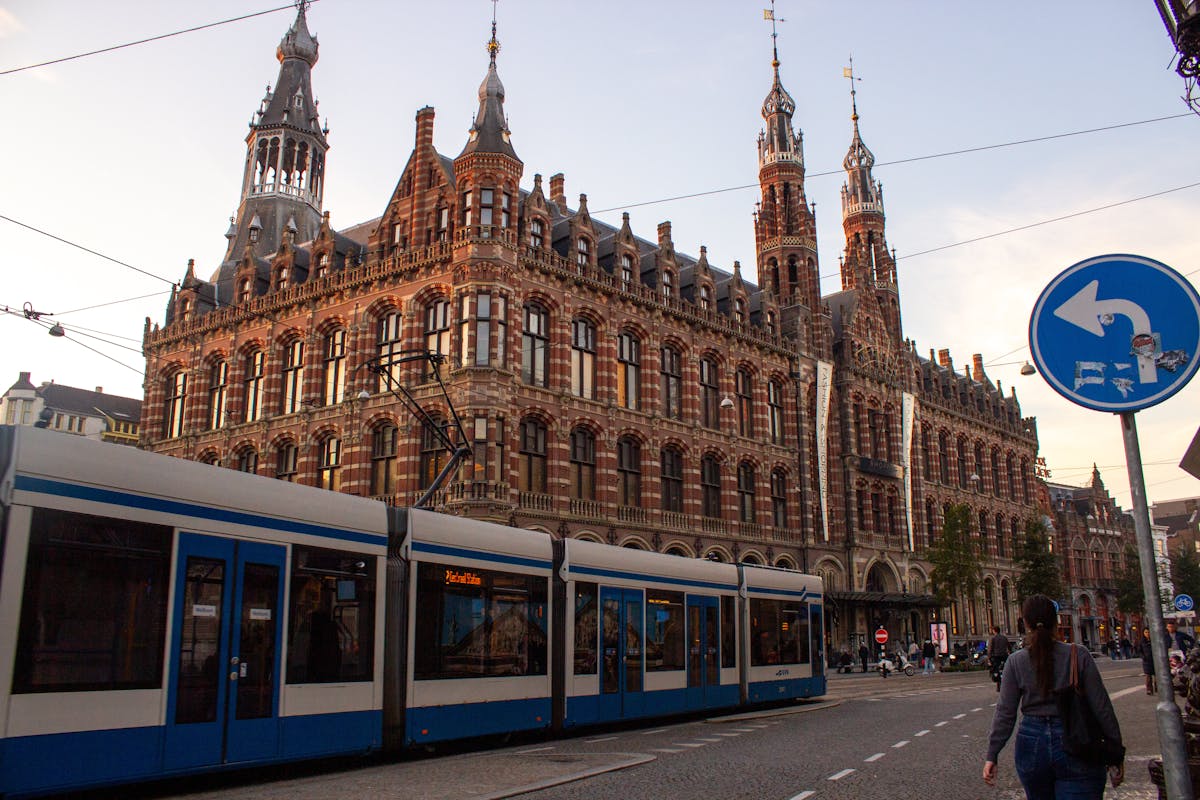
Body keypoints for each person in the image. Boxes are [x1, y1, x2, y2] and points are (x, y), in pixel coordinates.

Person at [983, 594, 1124, 797]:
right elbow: (1101, 707)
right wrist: (1115, 752)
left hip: (1032, 743)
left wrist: (992, 755)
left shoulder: (1016, 661)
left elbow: (1005, 713)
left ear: (1025, 623)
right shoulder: (1079, 654)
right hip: (1078, 740)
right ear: (1056, 622)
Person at [988, 626, 1010, 692]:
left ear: (994, 631)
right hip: (1004, 656)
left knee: (995, 669)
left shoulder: (993, 638)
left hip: (996, 656)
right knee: (1006, 668)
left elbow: (990, 649)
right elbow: (1009, 646)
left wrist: (989, 658)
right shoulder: (1004, 638)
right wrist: (1010, 652)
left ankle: (998, 684)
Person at [1141, 628, 1156, 695]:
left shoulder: (1155, 640)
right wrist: (1143, 657)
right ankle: (1149, 689)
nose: (1147, 634)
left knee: (1157, 675)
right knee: (1148, 675)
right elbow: (1139, 650)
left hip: (1155, 660)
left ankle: (1157, 687)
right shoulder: (1142, 641)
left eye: (1148, 632)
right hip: (1147, 660)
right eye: (1146, 632)